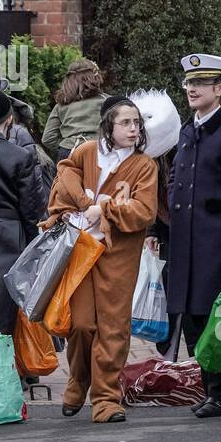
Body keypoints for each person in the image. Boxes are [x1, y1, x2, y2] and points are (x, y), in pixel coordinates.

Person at [42, 95, 157, 424]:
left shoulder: (144, 165)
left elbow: (144, 211)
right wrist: (78, 200)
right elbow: (64, 173)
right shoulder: (86, 151)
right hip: (79, 251)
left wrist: (104, 208)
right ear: (109, 125)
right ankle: (78, 381)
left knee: (113, 328)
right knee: (80, 324)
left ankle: (106, 398)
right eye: (126, 122)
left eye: (137, 123)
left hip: (118, 256)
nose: (133, 129)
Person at [161, 55, 221, 419]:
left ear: (220, 89)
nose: (192, 89)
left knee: (216, 315)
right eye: (189, 83)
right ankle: (211, 389)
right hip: (185, 241)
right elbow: (174, 178)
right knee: (191, 314)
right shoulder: (188, 130)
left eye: (201, 83)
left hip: (216, 242)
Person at [0, 89, 47, 336]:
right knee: (5, 305)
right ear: (10, 119)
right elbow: (31, 205)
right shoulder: (22, 155)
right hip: (9, 234)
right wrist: (31, 237)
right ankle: (4, 363)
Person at [41, 59, 108, 162]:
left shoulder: (61, 105)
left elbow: (48, 138)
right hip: (98, 151)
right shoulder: (107, 101)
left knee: (67, 179)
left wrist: (65, 146)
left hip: (69, 152)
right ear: (95, 77)